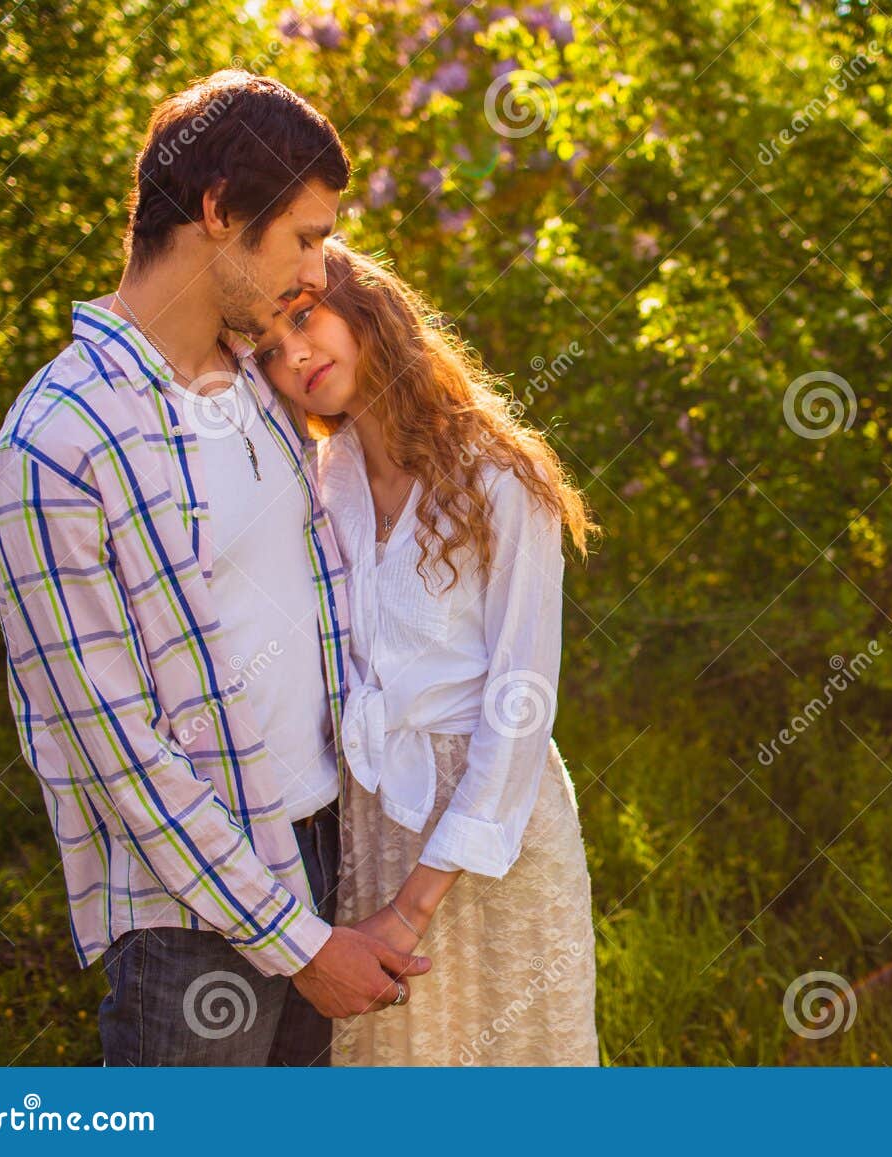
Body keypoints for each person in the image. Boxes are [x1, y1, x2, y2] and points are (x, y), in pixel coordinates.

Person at [0, 71, 427, 1067]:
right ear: (221, 211)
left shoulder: (270, 389)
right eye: (304, 236)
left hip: (324, 853)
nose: (318, 269)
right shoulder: (57, 442)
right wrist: (298, 941)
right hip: (187, 914)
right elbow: (116, 745)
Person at [257, 238, 600, 1064]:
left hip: (491, 833)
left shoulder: (499, 476)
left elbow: (521, 707)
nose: (295, 354)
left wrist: (412, 907)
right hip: (371, 823)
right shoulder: (317, 478)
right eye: (269, 349)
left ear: (366, 305)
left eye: (305, 317)